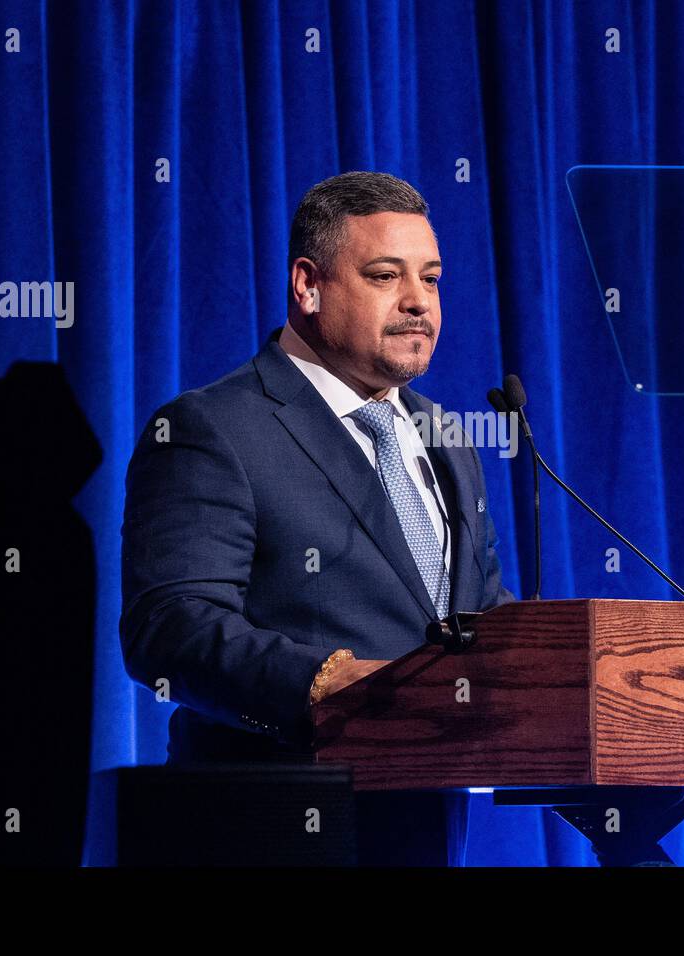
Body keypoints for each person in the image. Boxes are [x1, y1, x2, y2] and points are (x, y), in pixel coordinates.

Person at [120, 170, 514, 769]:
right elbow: (170, 629)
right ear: (307, 286)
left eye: (430, 279)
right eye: (386, 276)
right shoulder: (213, 429)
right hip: (273, 818)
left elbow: (478, 613)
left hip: (428, 812)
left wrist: (559, 666)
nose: (418, 300)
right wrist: (330, 681)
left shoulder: (445, 437)